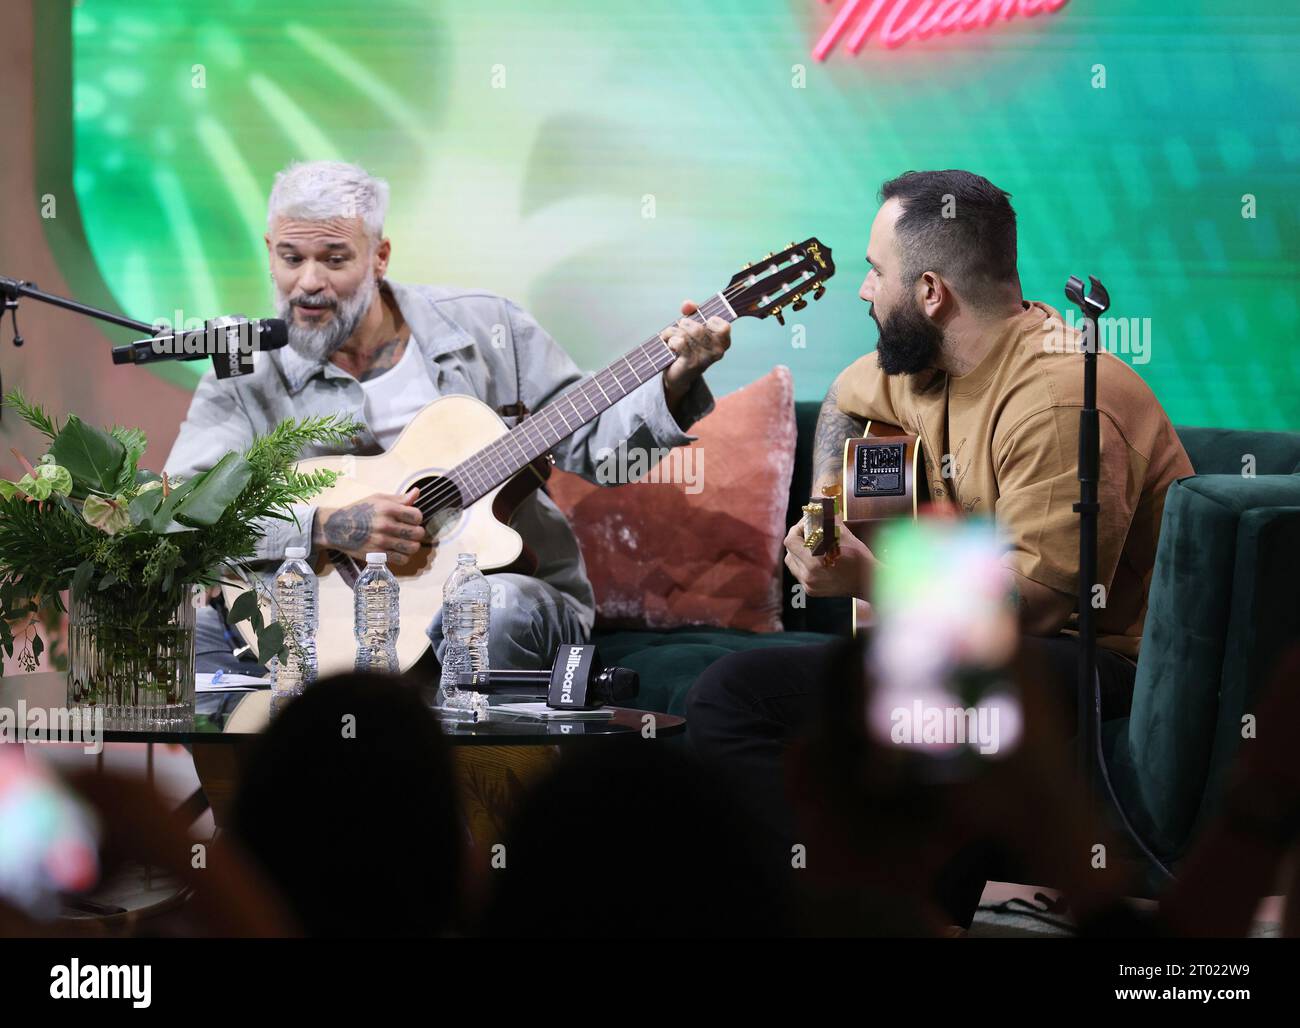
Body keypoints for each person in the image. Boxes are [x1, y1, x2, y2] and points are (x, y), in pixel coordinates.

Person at [687, 169, 1194, 921]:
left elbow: (1039, 608)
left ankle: (869, 913)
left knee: (735, 698)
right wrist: (827, 504)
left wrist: (876, 581)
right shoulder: (929, 367)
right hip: (980, 643)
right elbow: (844, 400)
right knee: (759, 696)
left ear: (931, 292)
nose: (862, 291)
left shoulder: (1056, 399)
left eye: (873, 270)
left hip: (1097, 658)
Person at [164, 160, 731, 675]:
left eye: (335, 259)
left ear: (379, 257)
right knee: (198, 631)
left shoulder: (489, 329)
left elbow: (604, 454)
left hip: (510, 592)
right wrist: (323, 526)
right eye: (291, 258)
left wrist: (674, 381)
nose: (309, 281)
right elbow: (181, 512)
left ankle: (497, 787)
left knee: (489, 607)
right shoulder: (245, 374)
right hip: (327, 622)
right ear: (270, 251)